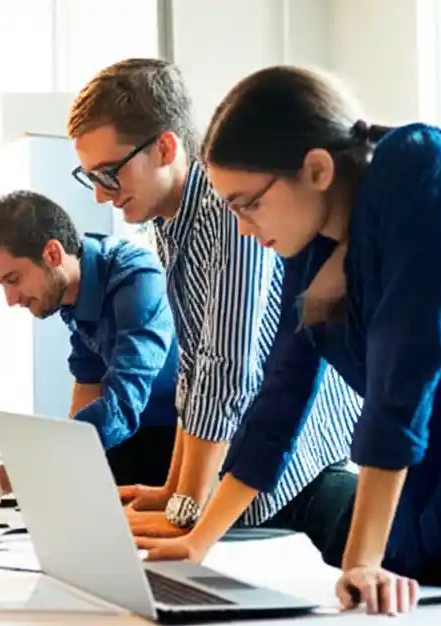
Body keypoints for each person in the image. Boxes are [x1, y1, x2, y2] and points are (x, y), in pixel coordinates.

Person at [157, 64, 441, 625]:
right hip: (424, 511)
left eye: (247, 204)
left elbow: (403, 371)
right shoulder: (312, 246)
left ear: (316, 169)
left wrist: (361, 560)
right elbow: (279, 401)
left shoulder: (419, 164)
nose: (242, 228)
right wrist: (199, 542)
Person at [62, 59, 364, 565]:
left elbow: (229, 366)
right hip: (251, 464)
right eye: (90, 177)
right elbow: (199, 368)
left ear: (165, 148)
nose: (100, 194)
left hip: (297, 473)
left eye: (110, 173)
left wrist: (187, 508)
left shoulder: (230, 206)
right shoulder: (170, 219)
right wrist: (175, 492)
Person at [0, 191, 178, 510]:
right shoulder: (74, 292)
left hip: (176, 438)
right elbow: (88, 390)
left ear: (53, 254)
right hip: (129, 435)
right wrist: (48, 477)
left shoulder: (137, 277)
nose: (11, 299)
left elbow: (121, 406)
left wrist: (7, 476)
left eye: (13, 279)